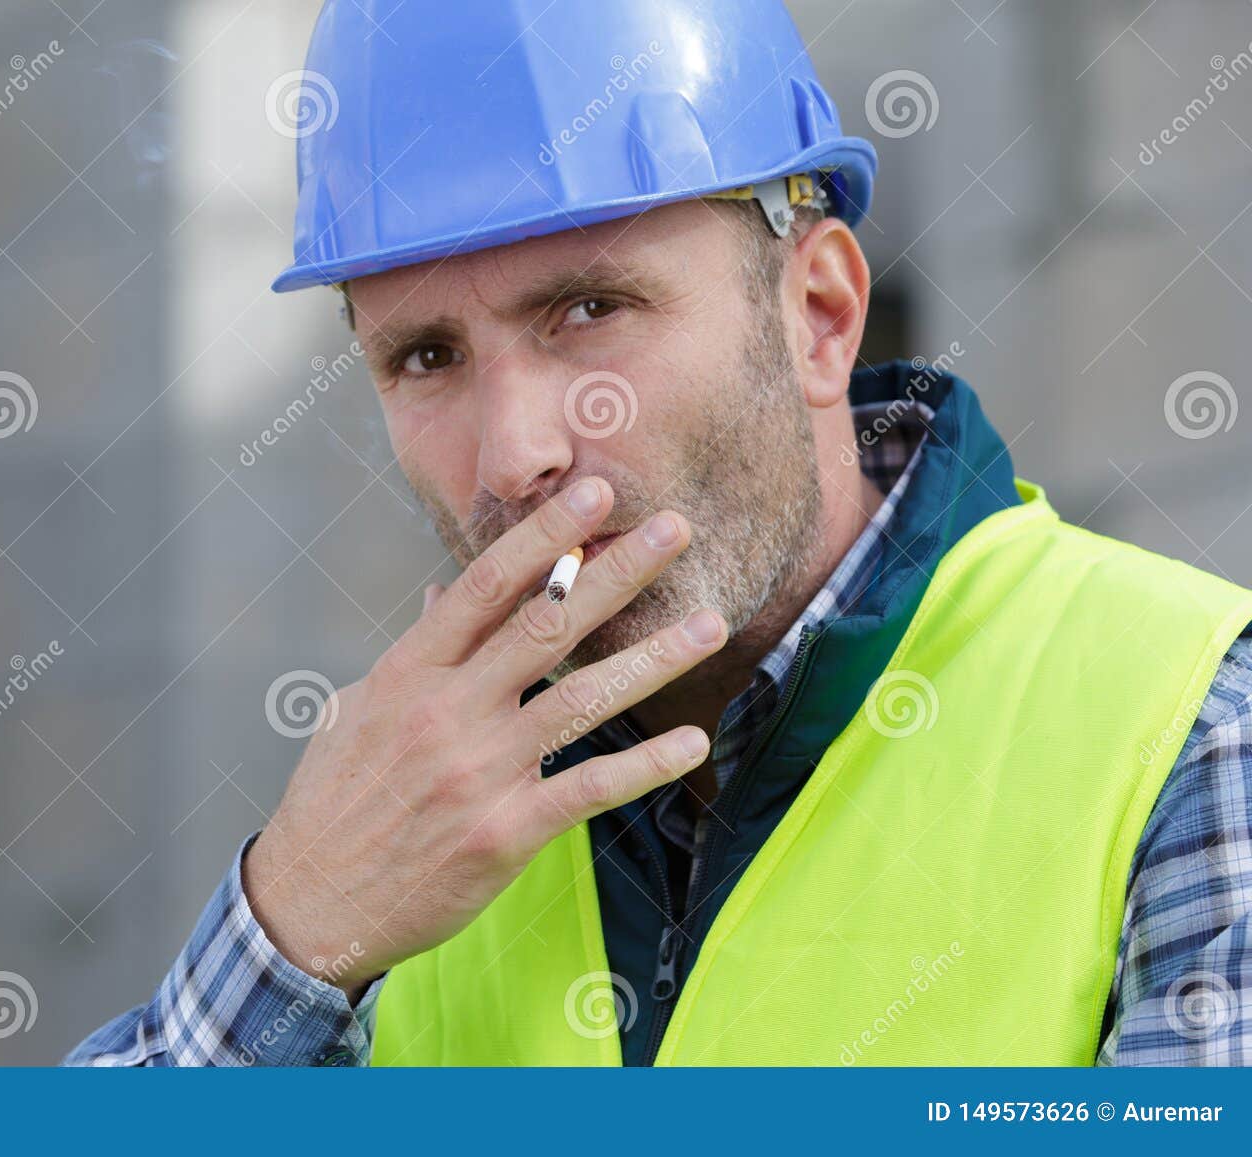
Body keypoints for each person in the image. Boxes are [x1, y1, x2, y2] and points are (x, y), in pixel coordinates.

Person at [66, 0, 1252, 1066]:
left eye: (591, 307)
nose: (514, 455)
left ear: (818, 315)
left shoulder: (1190, 733)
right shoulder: (391, 826)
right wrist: (295, 931)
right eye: (425, 355)